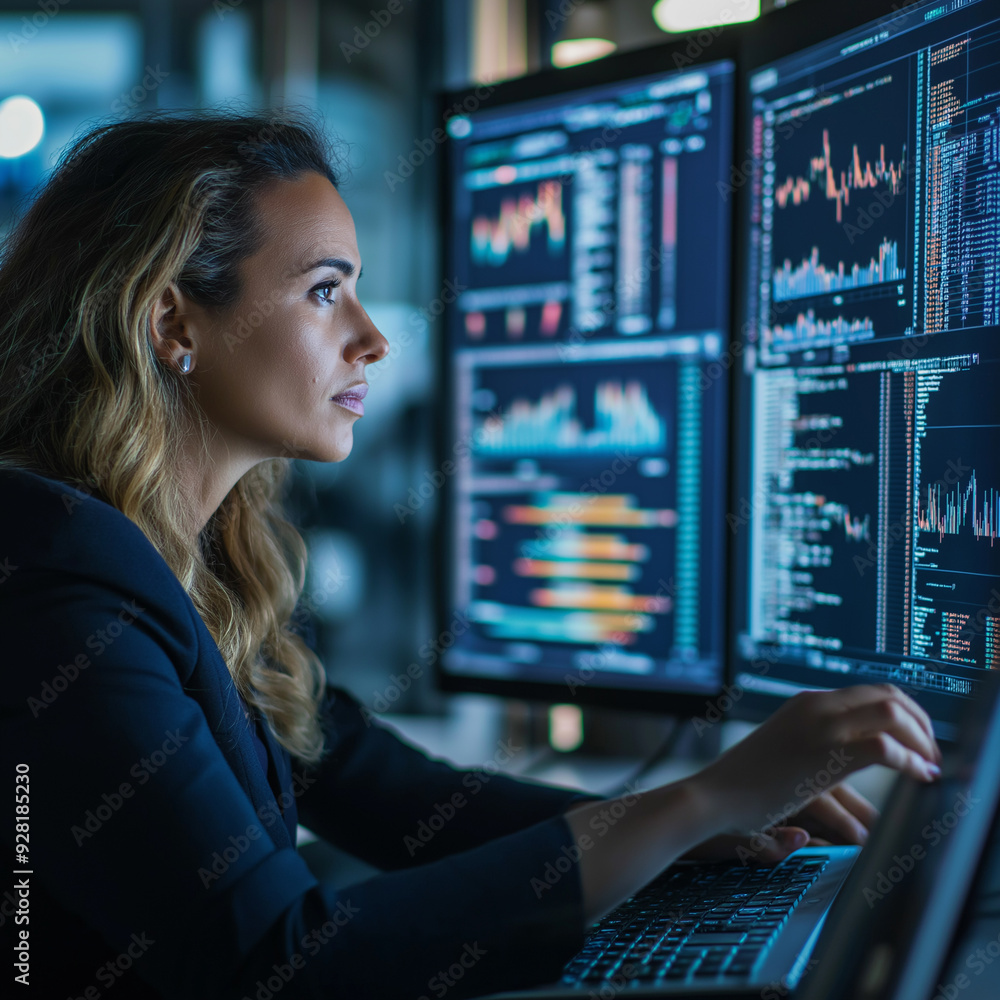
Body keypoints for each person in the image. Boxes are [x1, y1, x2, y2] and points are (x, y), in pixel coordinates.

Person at [0, 110, 941, 1000]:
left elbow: (401, 799)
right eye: (325, 291)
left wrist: (693, 821)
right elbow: (276, 963)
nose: (371, 339)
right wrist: (695, 805)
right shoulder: (63, 604)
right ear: (173, 325)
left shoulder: (180, 565)